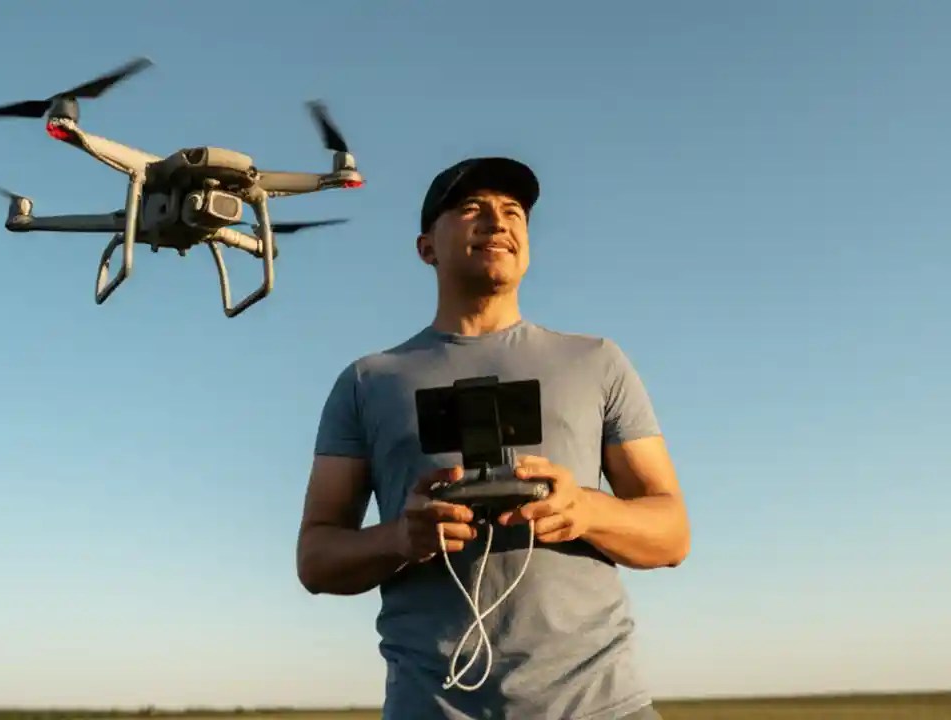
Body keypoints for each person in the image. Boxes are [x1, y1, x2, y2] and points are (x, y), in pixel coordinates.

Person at [295, 156, 690, 720]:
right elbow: (316, 557)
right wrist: (400, 539)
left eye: (513, 213)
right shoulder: (368, 381)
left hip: (600, 706)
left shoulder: (597, 361)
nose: (497, 221)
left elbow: (671, 533)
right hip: (430, 706)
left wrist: (584, 510)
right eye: (471, 209)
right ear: (426, 246)